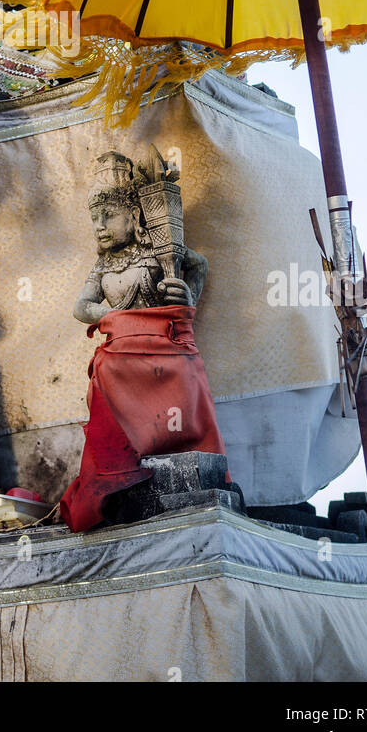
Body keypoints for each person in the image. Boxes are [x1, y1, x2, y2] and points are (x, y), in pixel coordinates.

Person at [60, 151, 228, 532]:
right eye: (94, 219)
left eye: (110, 216)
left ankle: (182, 453)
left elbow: (198, 265)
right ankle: (121, 473)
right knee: (105, 368)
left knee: (184, 378)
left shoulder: (159, 252)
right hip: (120, 349)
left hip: (166, 344)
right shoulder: (103, 264)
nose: (100, 226)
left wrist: (188, 298)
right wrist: (112, 318)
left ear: (134, 216)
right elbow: (80, 306)